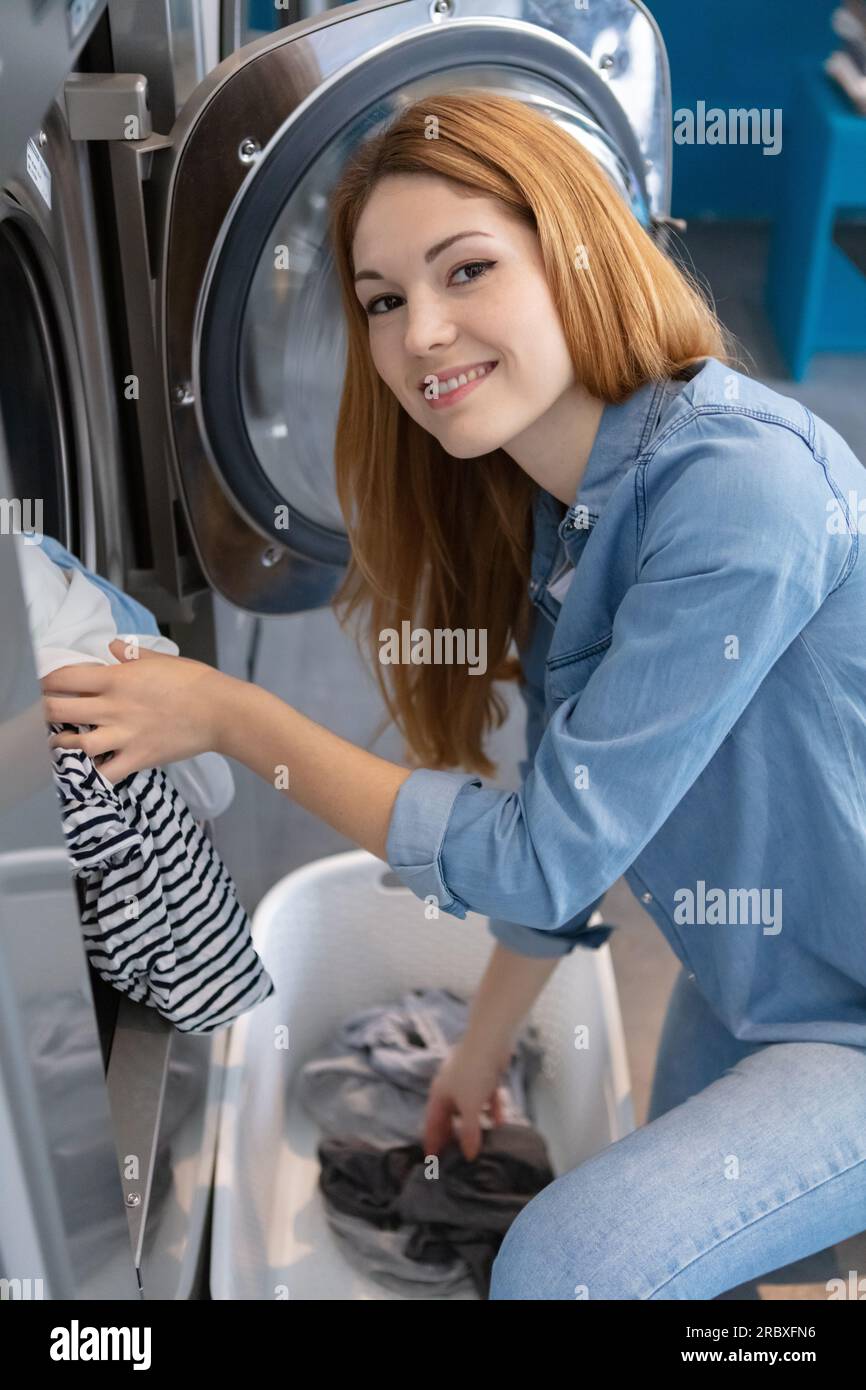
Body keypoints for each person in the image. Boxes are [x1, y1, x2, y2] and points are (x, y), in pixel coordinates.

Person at [40, 92, 866, 1300]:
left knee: (573, 1262)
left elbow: (539, 856)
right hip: (773, 966)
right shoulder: (555, 513)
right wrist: (477, 1052)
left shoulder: (739, 491)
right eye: (381, 299)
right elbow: (570, 822)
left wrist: (228, 716)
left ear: (578, 254)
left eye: (464, 269)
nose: (420, 331)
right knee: (729, 1266)